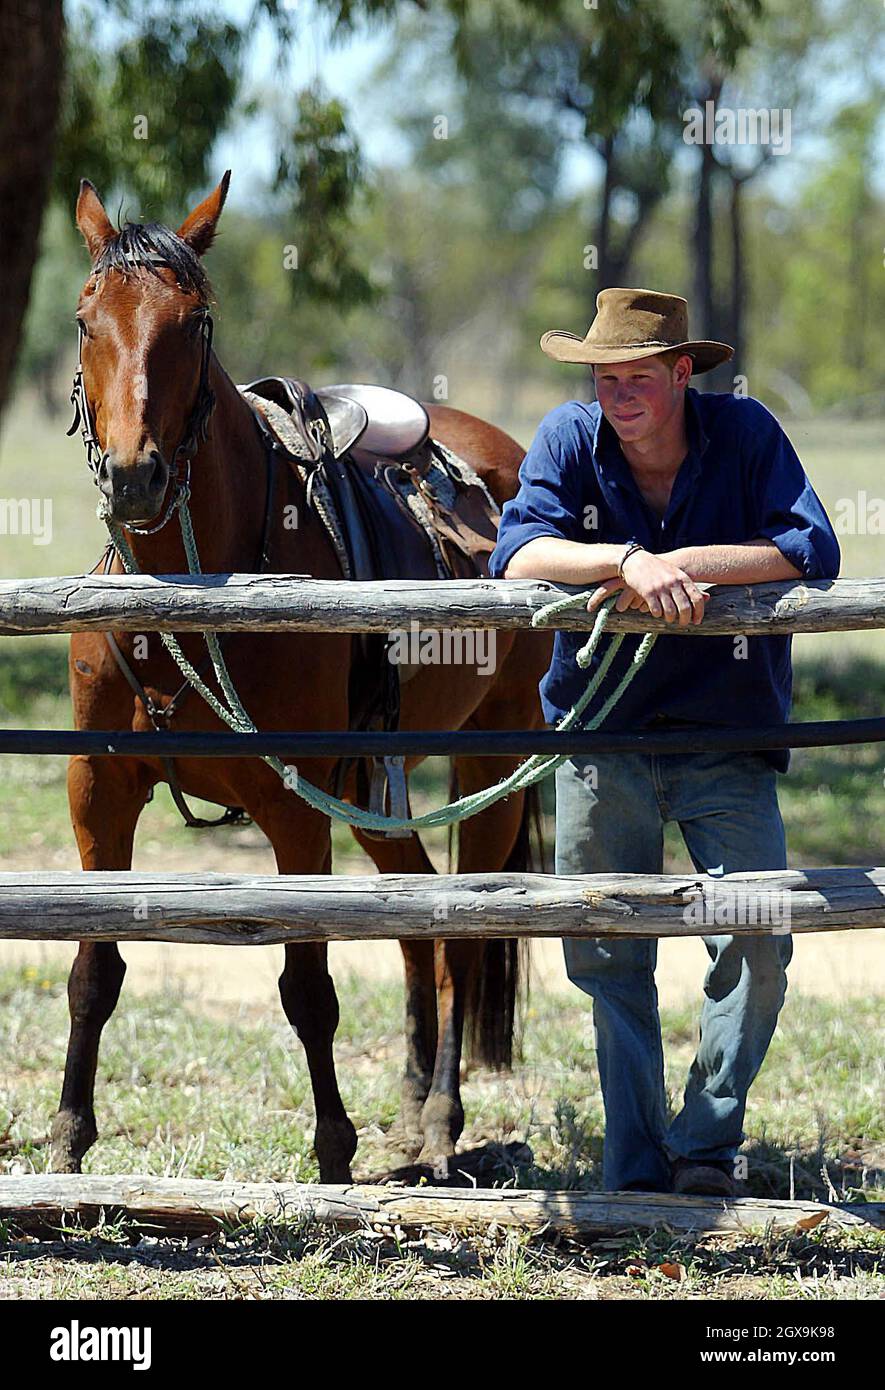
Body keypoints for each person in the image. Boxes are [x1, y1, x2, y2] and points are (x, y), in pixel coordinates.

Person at [488, 288, 841, 1195]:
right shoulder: (569, 437)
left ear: (683, 373)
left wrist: (686, 567)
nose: (619, 396)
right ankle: (638, 1168)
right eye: (606, 379)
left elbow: (810, 546)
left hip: (725, 737)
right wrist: (626, 562)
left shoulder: (747, 432)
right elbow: (518, 552)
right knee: (607, 951)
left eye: (639, 377)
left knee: (759, 941)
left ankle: (705, 1142)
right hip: (599, 739)